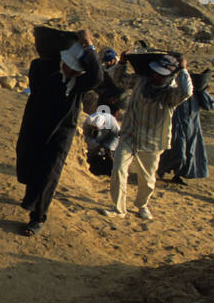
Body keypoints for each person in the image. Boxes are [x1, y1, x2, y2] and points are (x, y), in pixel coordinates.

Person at [15, 33, 102, 236]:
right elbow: (38, 63)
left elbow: (97, 76)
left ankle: (37, 218)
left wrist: (90, 47)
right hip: (35, 127)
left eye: (75, 68)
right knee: (29, 163)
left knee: (49, 173)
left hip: (61, 133)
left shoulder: (78, 84)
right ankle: (32, 199)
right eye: (68, 64)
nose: (70, 70)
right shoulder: (43, 70)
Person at [103, 53, 192, 220]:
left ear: (170, 76)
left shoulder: (171, 94)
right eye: (155, 72)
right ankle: (119, 208)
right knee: (119, 169)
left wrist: (184, 69)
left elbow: (186, 92)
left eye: (161, 74)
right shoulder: (141, 81)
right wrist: (121, 62)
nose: (156, 76)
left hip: (153, 140)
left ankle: (142, 205)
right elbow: (119, 80)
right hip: (130, 134)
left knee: (147, 179)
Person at [158, 69, 214, 184]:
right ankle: (161, 169)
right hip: (175, 126)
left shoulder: (197, 93)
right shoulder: (175, 90)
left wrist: (203, 91)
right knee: (176, 151)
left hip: (192, 127)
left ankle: (178, 175)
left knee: (189, 153)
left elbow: (209, 106)